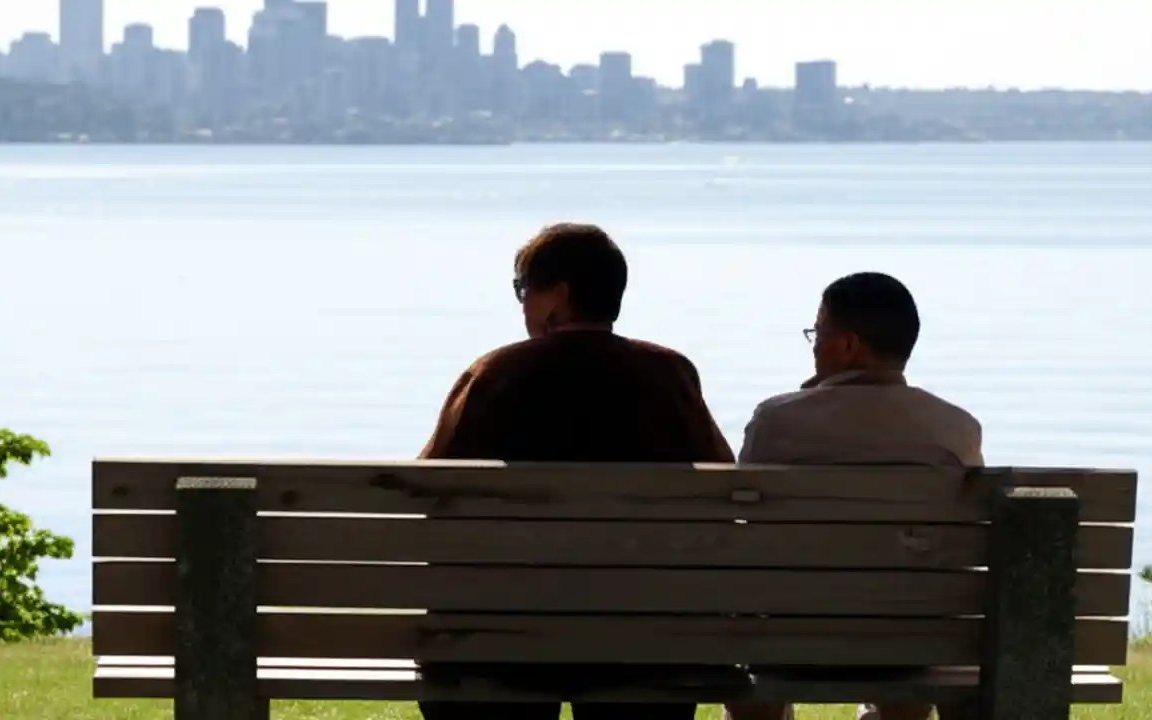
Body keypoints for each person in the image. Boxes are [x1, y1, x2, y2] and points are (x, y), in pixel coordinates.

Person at [418, 222, 735, 720]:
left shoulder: (494, 374)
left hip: (500, 651)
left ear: (558, 296)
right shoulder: (669, 374)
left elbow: (426, 490)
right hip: (645, 651)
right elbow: (724, 485)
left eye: (524, 289)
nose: (521, 305)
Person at [725, 272, 983, 720]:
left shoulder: (777, 423)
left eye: (818, 331)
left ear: (847, 345)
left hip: (787, 640)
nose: (812, 344)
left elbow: (746, 529)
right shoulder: (955, 429)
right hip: (912, 642)